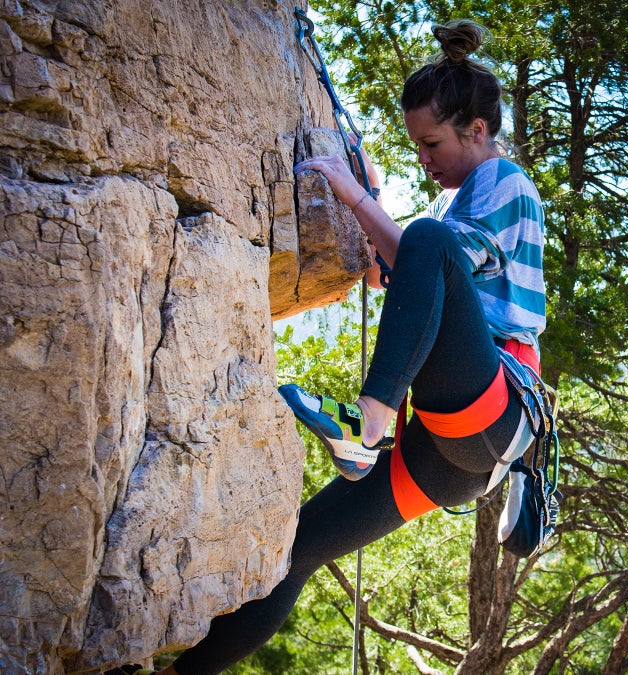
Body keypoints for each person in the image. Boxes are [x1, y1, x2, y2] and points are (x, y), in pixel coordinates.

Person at [138, 19, 546, 675]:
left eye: (433, 142)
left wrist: (358, 197)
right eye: (417, 145)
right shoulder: (458, 204)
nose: (425, 157)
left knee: (428, 240)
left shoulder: (503, 181)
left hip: (490, 411)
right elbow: (412, 269)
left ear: (477, 131)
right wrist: (371, 201)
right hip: (452, 452)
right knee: (297, 550)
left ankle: (367, 425)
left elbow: (439, 256)